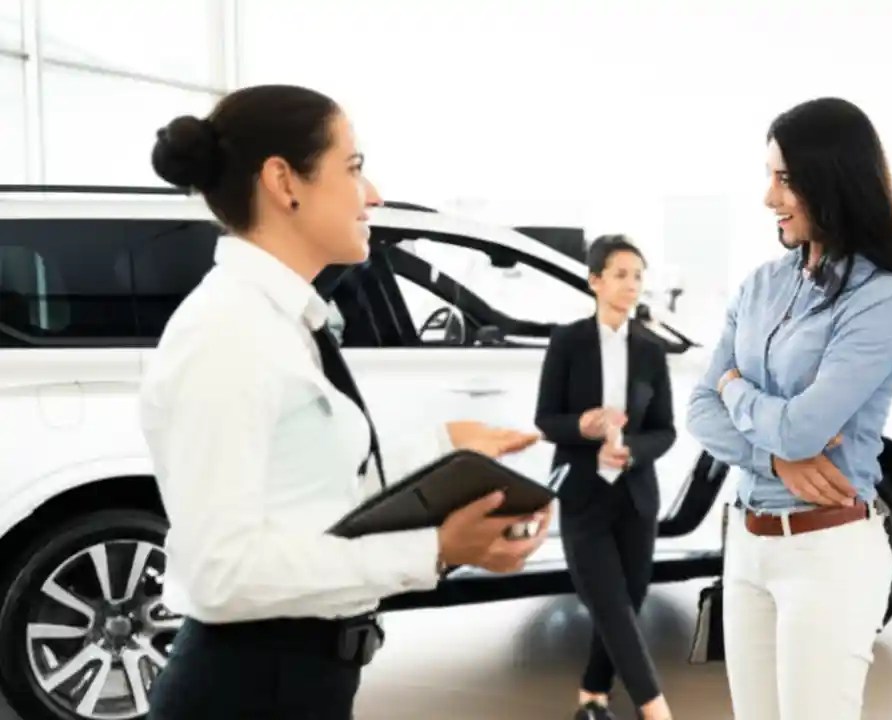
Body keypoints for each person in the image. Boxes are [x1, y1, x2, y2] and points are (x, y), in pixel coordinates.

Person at [139, 84, 552, 719]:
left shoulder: (280, 321)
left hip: (299, 679)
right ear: (284, 182)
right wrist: (437, 549)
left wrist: (444, 449)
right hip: (247, 690)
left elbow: (313, 495)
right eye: (354, 168)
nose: (375, 194)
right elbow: (221, 572)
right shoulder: (227, 334)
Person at [685, 97, 892, 720]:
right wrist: (775, 459)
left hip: (828, 554)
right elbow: (697, 408)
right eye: (769, 176)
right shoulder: (760, 285)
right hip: (746, 543)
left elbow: (803, 429)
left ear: (834, 181)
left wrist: (736, 390)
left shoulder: (881, 299)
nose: (769, 197)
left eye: (786, 179)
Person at [535, 235, 677, 720]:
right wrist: (582, 426)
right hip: (581, 494)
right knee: (610, 604)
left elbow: (665, 430)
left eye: (638, 275)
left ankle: (592, 695)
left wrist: (634, 451)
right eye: (620, 274)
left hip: (636, 499)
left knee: (629, 599)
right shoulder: (567, 342)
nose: (631, 284)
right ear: (594, 281)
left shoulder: (652, 350)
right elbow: (545, 419)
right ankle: (654, 708)